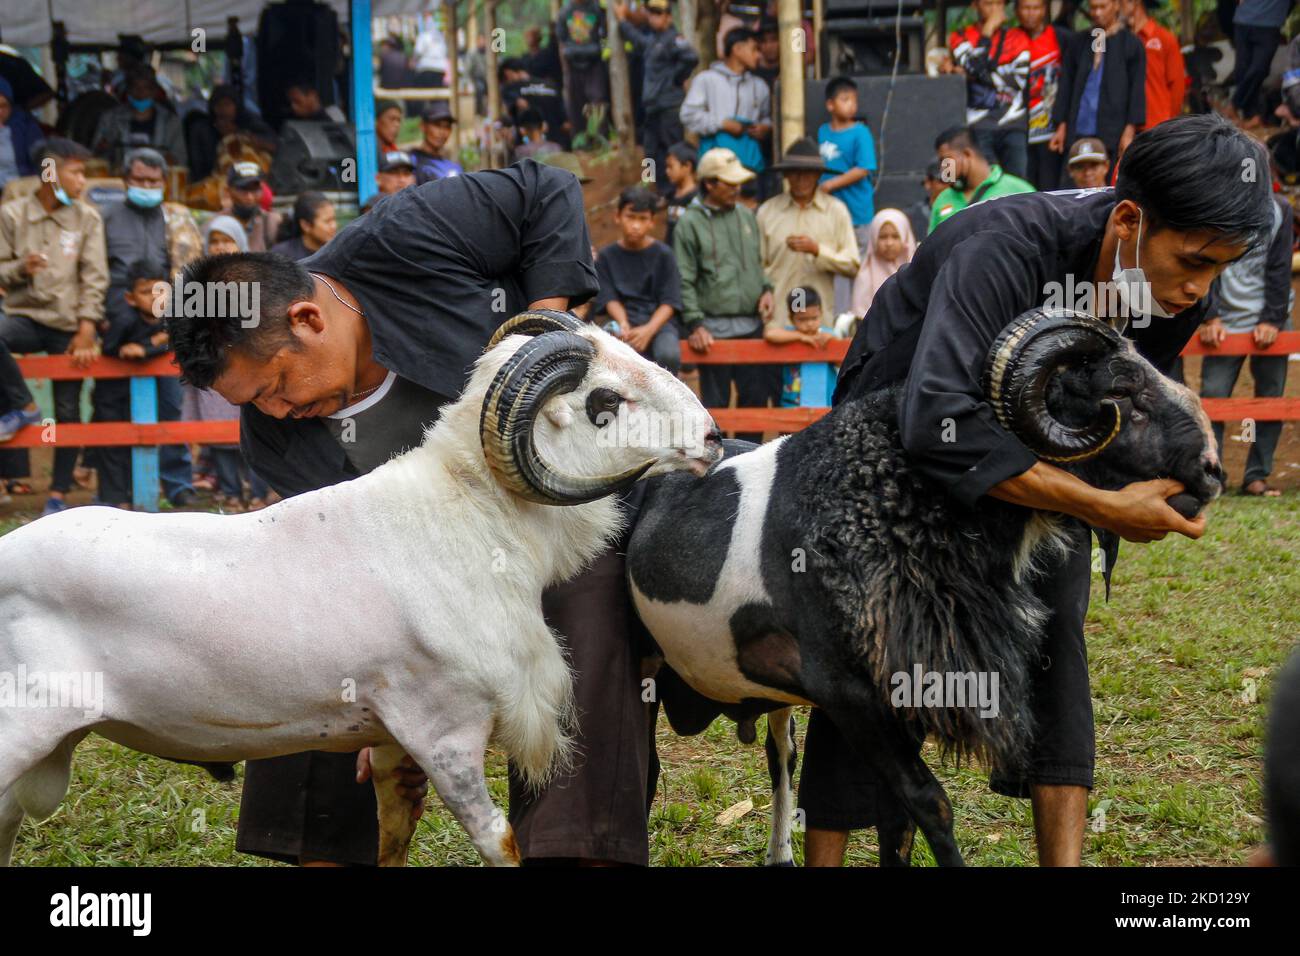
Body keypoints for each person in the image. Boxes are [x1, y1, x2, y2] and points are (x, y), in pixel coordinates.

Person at [167, 161, 668, 868]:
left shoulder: (405, 237)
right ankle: (324, 850)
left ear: (308, 319)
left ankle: (572, 848)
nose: (278, 410)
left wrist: (540, 340)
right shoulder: (274, 435)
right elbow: (351, 566)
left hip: (550, 509)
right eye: (254, 402)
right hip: (417, 564)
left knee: (587, 605)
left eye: (278, 384)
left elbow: (548, 189)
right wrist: (385, 712)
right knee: (306, 619)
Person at [803, 114, 1271, 867]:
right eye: (1193, 261)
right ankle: (824, 857)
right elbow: (934, 421)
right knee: (876, 644)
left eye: (1221, 268)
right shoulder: (1005, 247)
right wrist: (1099, 505)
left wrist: (1162, 483)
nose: (1199, 288)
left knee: (1056, 616)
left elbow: (1128, 406)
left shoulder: (1168, 290)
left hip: (1035, 445)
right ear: (1128, 219)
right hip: (894, 440)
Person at [0, 138, 108, 517]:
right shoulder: (12, 214)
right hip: (24, 317)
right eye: (76, 171)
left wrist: (86, 327)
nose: (83, 180)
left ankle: (58, 493)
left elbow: (95, 277)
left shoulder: (87, 217)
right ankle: (24, 404)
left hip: (67, 323)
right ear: (50, 173)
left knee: (66, 409)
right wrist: (18, 268)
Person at [97, 146, 202, 507]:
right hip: (117, 323)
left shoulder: (173, 219)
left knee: (170, 405)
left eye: (153, 181)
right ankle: (115, 493)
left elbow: (188, 273)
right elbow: (95, 271)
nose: (147, 186)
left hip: (164, 323)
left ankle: (177, 485)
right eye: (139, 180)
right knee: (111, 409)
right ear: (126, 181)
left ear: (163, 182)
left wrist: (171, 325)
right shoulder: (105, 217)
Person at [673, 147, 776, 444]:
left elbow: (757, 266)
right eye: (729, 183)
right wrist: (695, 323)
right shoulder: (689, 223)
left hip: (751, 326)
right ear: (709, 184)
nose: (737, 188)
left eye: (738, 182)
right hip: (712, 331)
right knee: (714, 406)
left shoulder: (746, 216)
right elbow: (685, 277)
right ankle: (718, 467)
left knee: (755, 399)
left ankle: (751, 458)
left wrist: (766, 289)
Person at [1198, 192, 1293, 497]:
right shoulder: (1218, 203)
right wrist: (1210, 316)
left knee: (1270, 398)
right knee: (1212, 396)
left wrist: (1273, 320)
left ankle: (1256, 476)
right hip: (1224, 322)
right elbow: (1206, 264)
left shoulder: (1280, 209)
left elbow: (1280, 267)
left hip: (1270, 322)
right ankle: (1214, 476)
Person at [183, 215, 269, 511]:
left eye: (227, 240)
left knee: (255, 428)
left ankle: (258, 494)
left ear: (240, 244)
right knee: (216, 432)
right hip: (215, 371)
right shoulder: (195, 284)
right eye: (214, 241)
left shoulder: (258, 279)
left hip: (252, 368)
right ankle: (231, 493)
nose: (220, 247)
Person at [87, 259, 177, 508]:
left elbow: (175, 341)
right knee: (111, 444)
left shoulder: (171, 319)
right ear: (130, 298)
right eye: (145, 292)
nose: (154, 298)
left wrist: (147, 347)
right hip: (110, 392)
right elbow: (109, 348)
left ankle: (139, 495)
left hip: (142, 395)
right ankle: (115, 499)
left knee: (140, 440)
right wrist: (146, 346)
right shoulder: (124, 320)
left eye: (160, 291)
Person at [757, 137, 860, 328]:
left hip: (819, 321)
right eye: (795, 173)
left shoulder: (835, 211)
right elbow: (757, 264)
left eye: (808, 173)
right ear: (786, 175)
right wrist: (764, 291)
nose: (801, 179)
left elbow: (852, 264)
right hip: (778, 318)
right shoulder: (768, 212)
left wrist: (817, 251)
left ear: (818, 175)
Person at [1048, 0, 1145, 182]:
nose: (1097, 12)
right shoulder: (1078, 42)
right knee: (1071, 186)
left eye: (1103, 7)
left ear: (1116, 5)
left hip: (1112, 131)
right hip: (1079, 129)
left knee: (1108, 187)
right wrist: (1061, 125)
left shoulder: (1131, 44)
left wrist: (1129, 131)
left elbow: (1137, 90)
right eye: (1093, 8)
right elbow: (1067, 84)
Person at [593, 186, 685, 373]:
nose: (636, 225)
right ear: (618, 216)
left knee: (668, 354)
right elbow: (609, 297)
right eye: (630, 217)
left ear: (652, 222)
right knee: (607, 358)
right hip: (623, 320)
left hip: (659, 323)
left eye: (642, 219)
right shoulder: (606, 256)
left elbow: (670, 301)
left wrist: (649, 330)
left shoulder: (664, 255)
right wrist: (623, 323)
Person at [615, 0, 699, 195]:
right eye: (651, 13)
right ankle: (650, 187)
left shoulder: (673, 39)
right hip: (652, 106)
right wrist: (622, 21)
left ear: (668, 17)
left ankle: (674, 191)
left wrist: (676, 78)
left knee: (671, 149)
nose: (654, 18)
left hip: (669, 105)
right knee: (650, 151)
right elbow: (636, 39)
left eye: (658, 14)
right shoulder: (653, 39)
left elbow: (691, 57)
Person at [947, 0, 1031, 178]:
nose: (994, 10)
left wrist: (977, 75)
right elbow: (974, 66)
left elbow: (1018, 81)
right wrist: (987, 31)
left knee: (1018, 187)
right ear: (974, 5)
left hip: (1013, 122)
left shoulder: (1018, 37)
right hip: (979, 125)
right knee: (986, 183)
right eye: (988, 4)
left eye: (998, 4)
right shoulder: (960, 36)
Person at [680, 28, 773, 181]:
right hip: (716, 166)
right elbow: (688, 115)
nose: (759, 55)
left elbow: (766, 117)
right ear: (737, 49)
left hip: (749, 164)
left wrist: (765, 128)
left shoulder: (759, 85)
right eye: (754, 49)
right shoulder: (706, 79)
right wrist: (722, 124)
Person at [930, 126, 1035, 233]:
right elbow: (932, 248)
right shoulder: (942, 199)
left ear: (967, 154)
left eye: (946, 160)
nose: (943, 168)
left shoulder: (1018, 190)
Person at [817, 76, 879, 255]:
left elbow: (863, 168)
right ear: (830, 105)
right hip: (830, 212)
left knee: (858, 260)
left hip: (857, 212)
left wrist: (830, 185)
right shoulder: (823, 131)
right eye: (845, 100)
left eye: (854, 100)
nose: (852, 105)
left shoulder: (860, 132)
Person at [1016, 0, 1072, 190]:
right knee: (1023, 190)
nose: (1031, 13)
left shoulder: (1062, 38)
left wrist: (1063, 123)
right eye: (1026, 8)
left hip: (1051, 132)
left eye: (1036, 8)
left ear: (1044, 9)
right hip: (1019, 131)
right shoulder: (1010, 40)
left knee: (1051, 190)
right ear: (1017, 10)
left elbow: (1071, 82)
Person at [91, 64, 187, 170]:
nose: (141, 93)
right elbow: (96, 159)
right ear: (127, 90)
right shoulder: (110, 119)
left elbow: (180, 160)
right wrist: (103, 149)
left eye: (146, 88)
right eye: (135, 87)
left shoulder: (171, 122)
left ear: (155, 91)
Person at [186, 84, 278, 183]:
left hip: (252, 178)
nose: (223, 110)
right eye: (218, 105)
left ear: (237, 106)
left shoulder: (249, 122)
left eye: (227, 104)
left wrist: (238, 135)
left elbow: (276, 146)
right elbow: (199, 165)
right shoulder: (203, 129)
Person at [765, 286, 839, 407]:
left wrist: (832, 341)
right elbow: (770, 334)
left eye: (814, 318)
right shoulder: (789, 334)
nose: (809, 324)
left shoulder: (827, 335)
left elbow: (842, 363)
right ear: (792, 319)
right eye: (802, 320)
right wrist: (800, 337)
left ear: (820, 313)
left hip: (825, 403)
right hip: (794, 403)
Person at [1228, 0, 1296, 129]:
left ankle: (1235, 104)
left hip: (1269, 26)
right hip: (1243, 21)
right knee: (1242, 70)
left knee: (1260, 69)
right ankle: (1252, 116)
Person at [1121, 0, 1185, 131]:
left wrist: (1169, 123)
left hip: (1157, 125)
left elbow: (1177, 86)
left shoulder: (1165, 38)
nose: (1116, 7)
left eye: (1119, 2)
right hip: (1123, 127)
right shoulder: (1119, 40)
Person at [848, 208, 918, 322]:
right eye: (883, 237)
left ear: (905, 238)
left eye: (895, 237)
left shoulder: (916, 273)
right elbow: (861, 318)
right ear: (874, 239)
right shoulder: (865, 277)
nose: (889, 243)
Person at [556, 0, 611, 135]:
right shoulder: (564, 12)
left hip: (594, 62)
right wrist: (565, 68)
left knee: (598, 99)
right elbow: (561, 40)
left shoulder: (596, 9)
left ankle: (600, 138)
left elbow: (605, 33)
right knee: (575, 104)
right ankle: (579, 142)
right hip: (572, 63)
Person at [500, 58, 572, 151]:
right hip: (555, 147)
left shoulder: (511, 89)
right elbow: (565, 123)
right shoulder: (551, 86)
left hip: (527, 149)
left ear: (508, 73)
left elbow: (510, 118)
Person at [223, 161, 282, 252]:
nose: (250, 197)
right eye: (242, 189)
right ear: (228, 191)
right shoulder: (216, 225)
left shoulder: (273, 221)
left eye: (255, 189)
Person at [0, 76, 43, 190]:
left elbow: (44, 158)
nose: (0, 112)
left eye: (4, 106)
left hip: (20, 191)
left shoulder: (25, 126)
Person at [271, 192, 337, 261]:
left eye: (334, 219)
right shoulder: (281, 255)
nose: (334, 226)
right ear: (306, 225)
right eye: (327, 221)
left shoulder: (338, 252)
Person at [410, 102, 463, 183]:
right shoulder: (410, 162)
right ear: (423, 126)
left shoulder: (455, 167)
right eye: (437, 125)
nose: (442, 132)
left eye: (447, 127)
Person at [663, 141, 698, 243]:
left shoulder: (696, 198)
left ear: (687, 166)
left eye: (671, 167)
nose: (667, 171)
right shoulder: (671, 194)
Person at [905, 161, 947, 241]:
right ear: (928, 182)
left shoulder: (964, 211)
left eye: (953, 181)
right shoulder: (911, 216)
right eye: (943, 181)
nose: (949, 185)